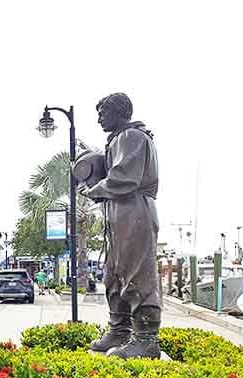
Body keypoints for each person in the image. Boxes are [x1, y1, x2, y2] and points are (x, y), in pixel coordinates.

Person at [81, 92, 161, 359]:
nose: (99, 118)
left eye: (103, 112)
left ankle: (146, 340)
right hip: (119, 211)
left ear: (118, 112)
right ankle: (120, 330)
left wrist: (94, 189)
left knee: (138, 274)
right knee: (114, 273)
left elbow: (124, 179)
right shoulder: (118, 139)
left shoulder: (132, 137)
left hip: (134, 209)